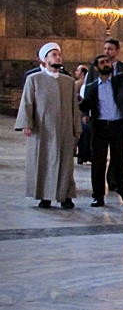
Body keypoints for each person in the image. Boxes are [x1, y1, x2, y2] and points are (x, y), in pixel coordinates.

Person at [15, 42, 80, 209]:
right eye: (54, 55)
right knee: (44, 161)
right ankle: (45, 195)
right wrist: (26, 123)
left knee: (65, 163)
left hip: (64, 128)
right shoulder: (34, 79)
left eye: (59, 54)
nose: (58, 57)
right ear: (45, 59)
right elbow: (27, 103)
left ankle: (65, 195)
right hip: (43, 129)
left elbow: (74, 107)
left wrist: (76, 128)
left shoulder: (68, 82)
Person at [79, 52, 123, 207]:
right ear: (96, 68)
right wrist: (83, 113)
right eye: (102, 62)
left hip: (118, 126)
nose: (106, 64)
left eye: (107, 62)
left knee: (120, 160)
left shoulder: (119, 80)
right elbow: (86, 104)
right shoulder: (91, 87)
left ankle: (121, 187)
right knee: (98, 163)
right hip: (100, 127)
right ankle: (98, 195)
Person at [73, 64, 92, 164]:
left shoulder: (80, 85)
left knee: (83, 135)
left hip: (82, 113)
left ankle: (83, 155)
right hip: (86, 113)